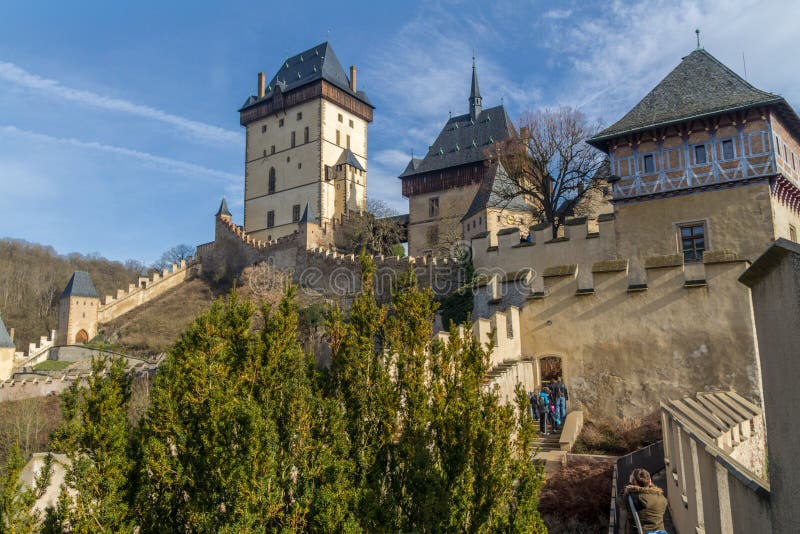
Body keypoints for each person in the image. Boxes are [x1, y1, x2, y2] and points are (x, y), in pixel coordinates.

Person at [623, 468, 667, 534]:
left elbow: (620, 500)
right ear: (650, 481)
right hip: (659, 531)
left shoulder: (631, 498)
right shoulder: (661, 497)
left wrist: (629, 483)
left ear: (634, 482)